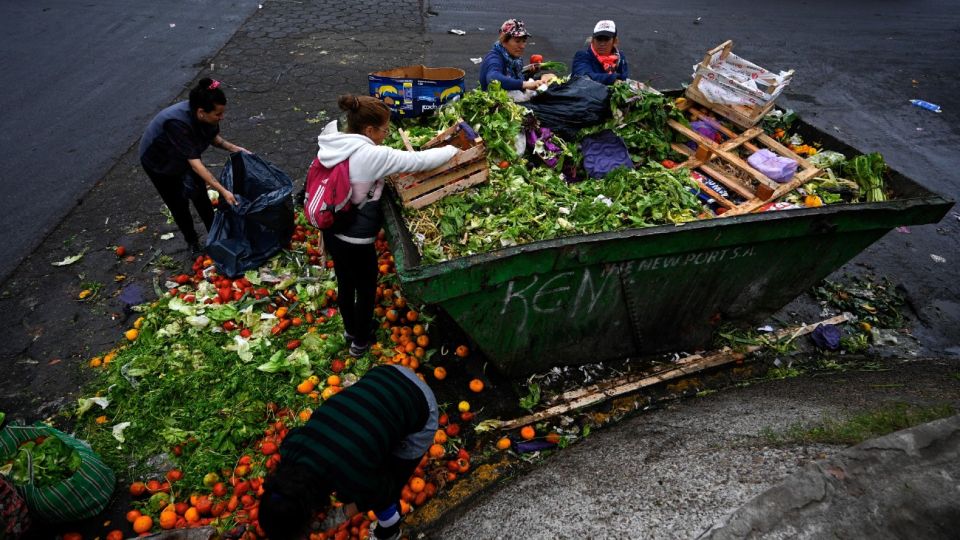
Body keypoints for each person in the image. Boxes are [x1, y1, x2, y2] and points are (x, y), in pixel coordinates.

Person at [314, 95, 458, 357]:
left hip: (333, 228)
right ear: (368, 130)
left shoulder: (332, 138)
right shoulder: (371, 154)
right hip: (356, 239)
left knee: (345, 282)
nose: (387, 134)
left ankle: (349, 330)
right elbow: (419, 161)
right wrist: (453, 151)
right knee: (366, 288)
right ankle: (360, 342)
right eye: (384, 129)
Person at [259, 364, 439, 540]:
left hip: (421, 405)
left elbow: (383, 492)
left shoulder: (351, 477)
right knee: (373, 453)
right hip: (385, 374)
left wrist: (342, 514)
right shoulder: (290, 447)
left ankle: (389, 533)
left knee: (388, 491)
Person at [139, 78, 250, 255]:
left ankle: (217, 237)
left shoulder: (207, 116)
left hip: (183, 157)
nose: (222, 117)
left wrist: (236, 149)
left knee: (201, 197)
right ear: (201, 113)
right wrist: (223, 190)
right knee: (178, 204)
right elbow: (197, 166)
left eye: (222, 113)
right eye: (218, 114)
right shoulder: (177, 124)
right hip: (160, 162)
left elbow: (213, 138)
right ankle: (192, 242)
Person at [478, 18, 552, 93]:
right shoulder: (494, 58)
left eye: (524, 41)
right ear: (503, 41)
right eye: (517, 41)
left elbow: (513, 81)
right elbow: (493, 78)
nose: (522, 46)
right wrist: (526, 84)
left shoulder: (513, 60)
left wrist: (530, 73)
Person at [572, 20, 630, 85]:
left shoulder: (620, 58)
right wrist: (614, 79)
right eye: (599, 39)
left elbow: (624, 80)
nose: (602, 44)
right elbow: (583, 77)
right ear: (593, 40)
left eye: (606, 39)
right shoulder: (583, 55)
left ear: (615, 41)